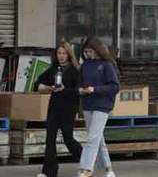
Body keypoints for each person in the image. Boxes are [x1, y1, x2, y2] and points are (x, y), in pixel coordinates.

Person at [35, 41, 82, 177]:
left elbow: (77, 91)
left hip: (68, 107)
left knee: (68, 138)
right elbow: (38, 83)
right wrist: (45, 87)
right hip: (54, 106)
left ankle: (86, 161)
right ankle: (49, 171)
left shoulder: (75, 71)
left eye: (64, 53)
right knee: (50, 138)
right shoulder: (53, 69)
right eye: (59, 53)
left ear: (69, 54)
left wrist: (64, 89)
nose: (61, 56)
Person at [76, 39, 119, 177]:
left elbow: (115, 86)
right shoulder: (85, 65)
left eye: (90, 51)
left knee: (92, 137)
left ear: (97, 50)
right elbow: (79, 83)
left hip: (103, 105)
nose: (88, 54)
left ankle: (86, 168)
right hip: (88, 104)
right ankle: (108, 168)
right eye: (85, 52)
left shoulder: (107, 65)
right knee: (98, 137)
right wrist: (81, 90)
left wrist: (95, 89)